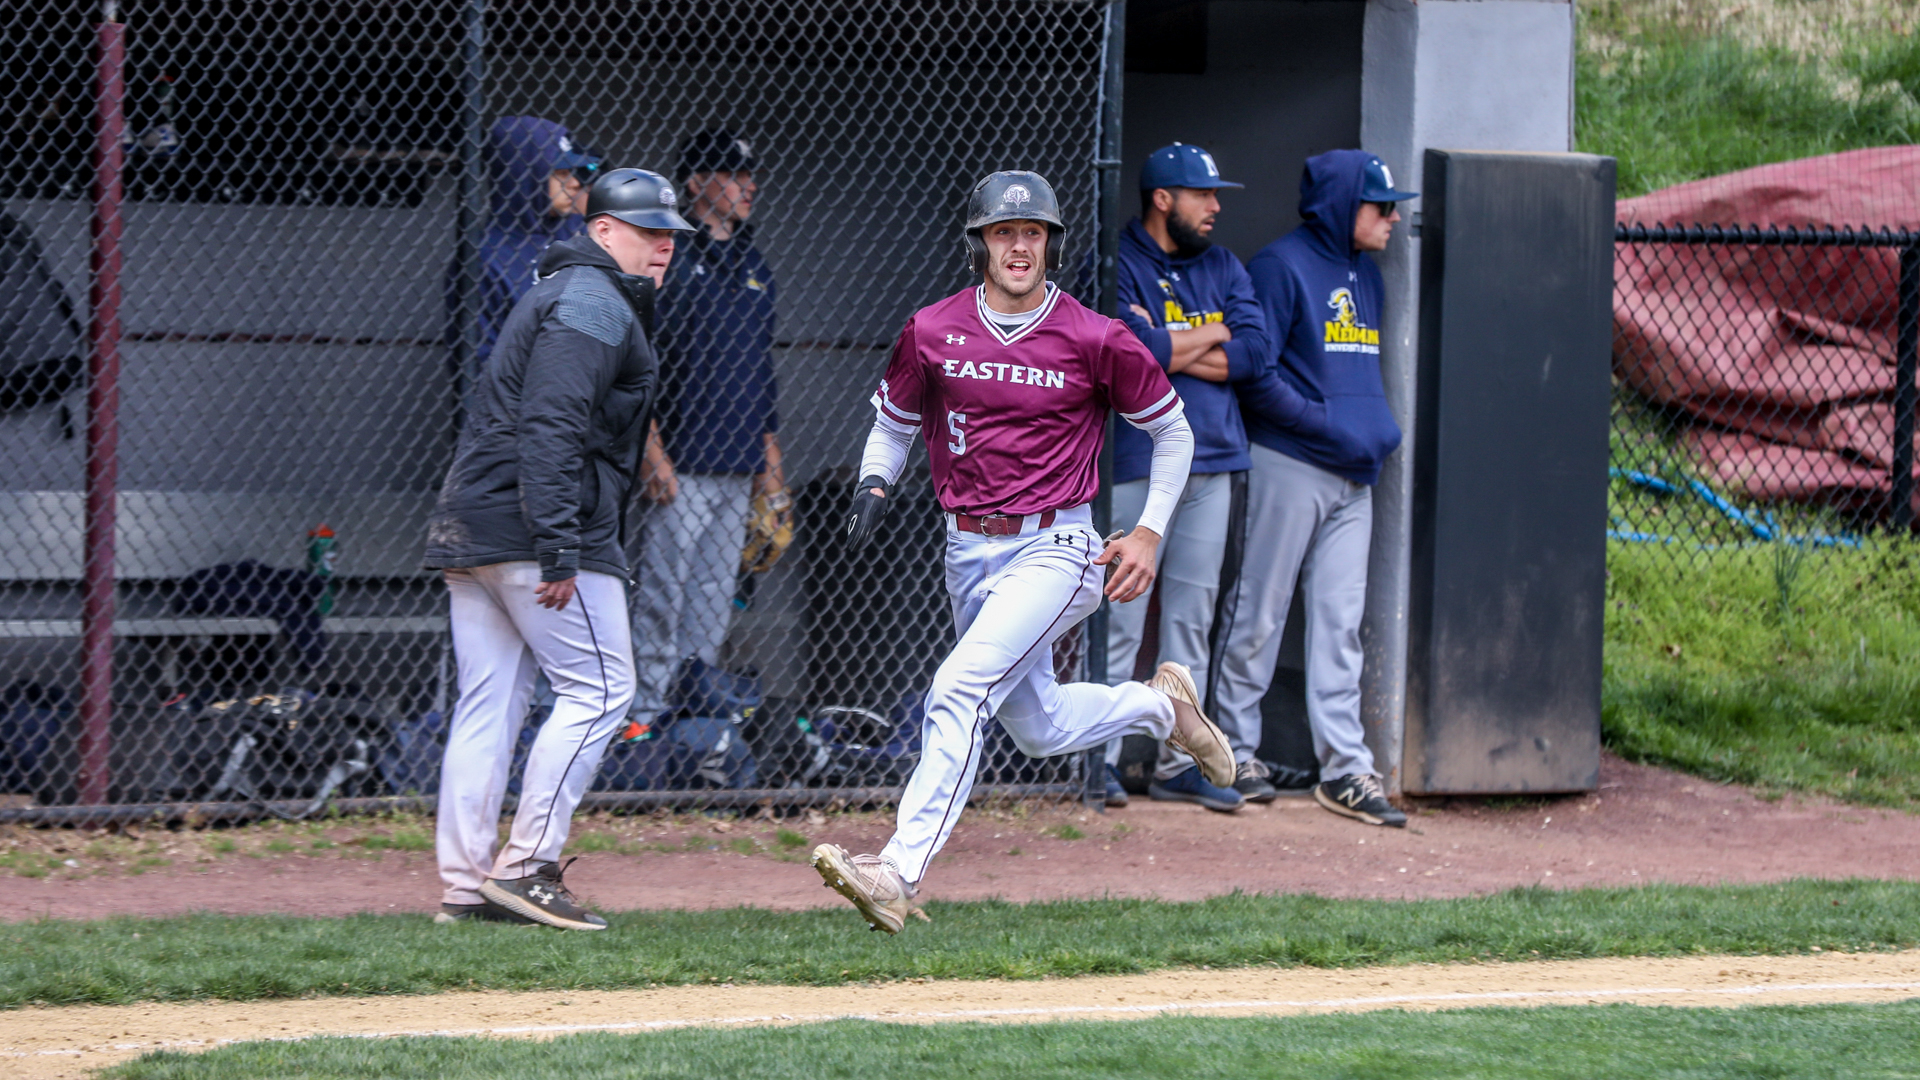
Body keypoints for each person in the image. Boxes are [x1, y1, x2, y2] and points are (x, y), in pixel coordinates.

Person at [808, 171, 1237, 934]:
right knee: (1037, 727)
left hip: (1059, 542)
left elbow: (1173, 432)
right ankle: (1160, 707)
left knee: (958, 687)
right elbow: (895, 424)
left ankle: (896, 871)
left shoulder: (1095, 336)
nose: (1018, 245)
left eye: (1031, 232)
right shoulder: (933, 328)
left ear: (1050, 244)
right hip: (966, 545)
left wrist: (1147, 530)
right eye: (1004, 232)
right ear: (980, 242)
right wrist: (876, 482)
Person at [422, 168, 691, 929]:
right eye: (649, 230)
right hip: (534, 529)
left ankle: (467, 885)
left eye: (670, 233)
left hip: (478, 524)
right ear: (604, 231)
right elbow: (552, 424)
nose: (664, 244)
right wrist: (560, 546)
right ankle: (529, 867)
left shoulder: (570, 293)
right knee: (601, 692)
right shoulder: (592, 302)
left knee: (492, 704)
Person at [1213, 150, 1417, 828]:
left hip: (1355, 479)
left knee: (1340, 624)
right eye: (1379, 204)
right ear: (1339, 204)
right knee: (1259, 611)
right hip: (1290, 462)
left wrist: (1363, 433)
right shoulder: (1281, 266)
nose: (1392, 217)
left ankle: (1345, 770)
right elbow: (1256, 372)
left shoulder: (1369, 275)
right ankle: (1233, 753)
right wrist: (1325, 424)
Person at [1103, 142, 1270, 813]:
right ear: (1163, 199)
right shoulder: (1119, 260)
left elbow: (1254, 354)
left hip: (1215, 461)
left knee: (1189, 624)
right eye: (1203, 194)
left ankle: (1179, 765)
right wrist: (1211, 332)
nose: (1216, 206)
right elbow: (1130, 354)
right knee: (1117, 616)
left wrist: (1174, 343)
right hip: (1138, 461)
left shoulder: (1224, 264)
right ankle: (1100, 761)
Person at [625, 129, 784, 732]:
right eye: (731, 174)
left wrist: (772, 469)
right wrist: (652, 450)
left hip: (739, 464)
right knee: (662, 601)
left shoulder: (754, 263)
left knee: (713, 606)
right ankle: (641, 723)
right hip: (680, 465)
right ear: (695, 183)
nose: (747, 186)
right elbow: (638, 360)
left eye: (750, 176)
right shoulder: (672, 257)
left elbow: (761, 371)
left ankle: (691, 728)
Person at [448, 115, 603, 379]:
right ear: (523, 175)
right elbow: (480, 365)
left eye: (574, 172)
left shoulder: (578, 233)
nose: (575, 183)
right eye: (561, 173)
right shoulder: (484, 257)